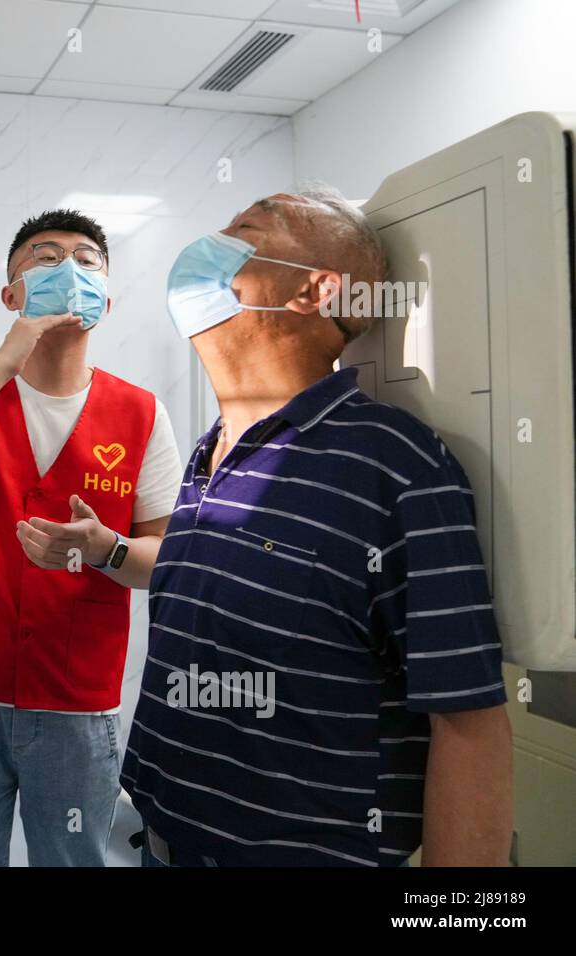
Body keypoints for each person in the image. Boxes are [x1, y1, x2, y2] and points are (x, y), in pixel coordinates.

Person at [104, 187, 509, 866]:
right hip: (163, 842)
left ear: (314, 291)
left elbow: (468, 719)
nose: (209, 246)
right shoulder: (211, 453)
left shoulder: (393, 466)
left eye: (243, 230)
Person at [0, 209, 184, 866]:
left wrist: (104, 548)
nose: (67, 269)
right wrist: (2, 363)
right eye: (44, 258)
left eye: (86, 260)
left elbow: (164, 559)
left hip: (76, 702)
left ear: (106, 297)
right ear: (9, 294)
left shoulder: (140, 413)